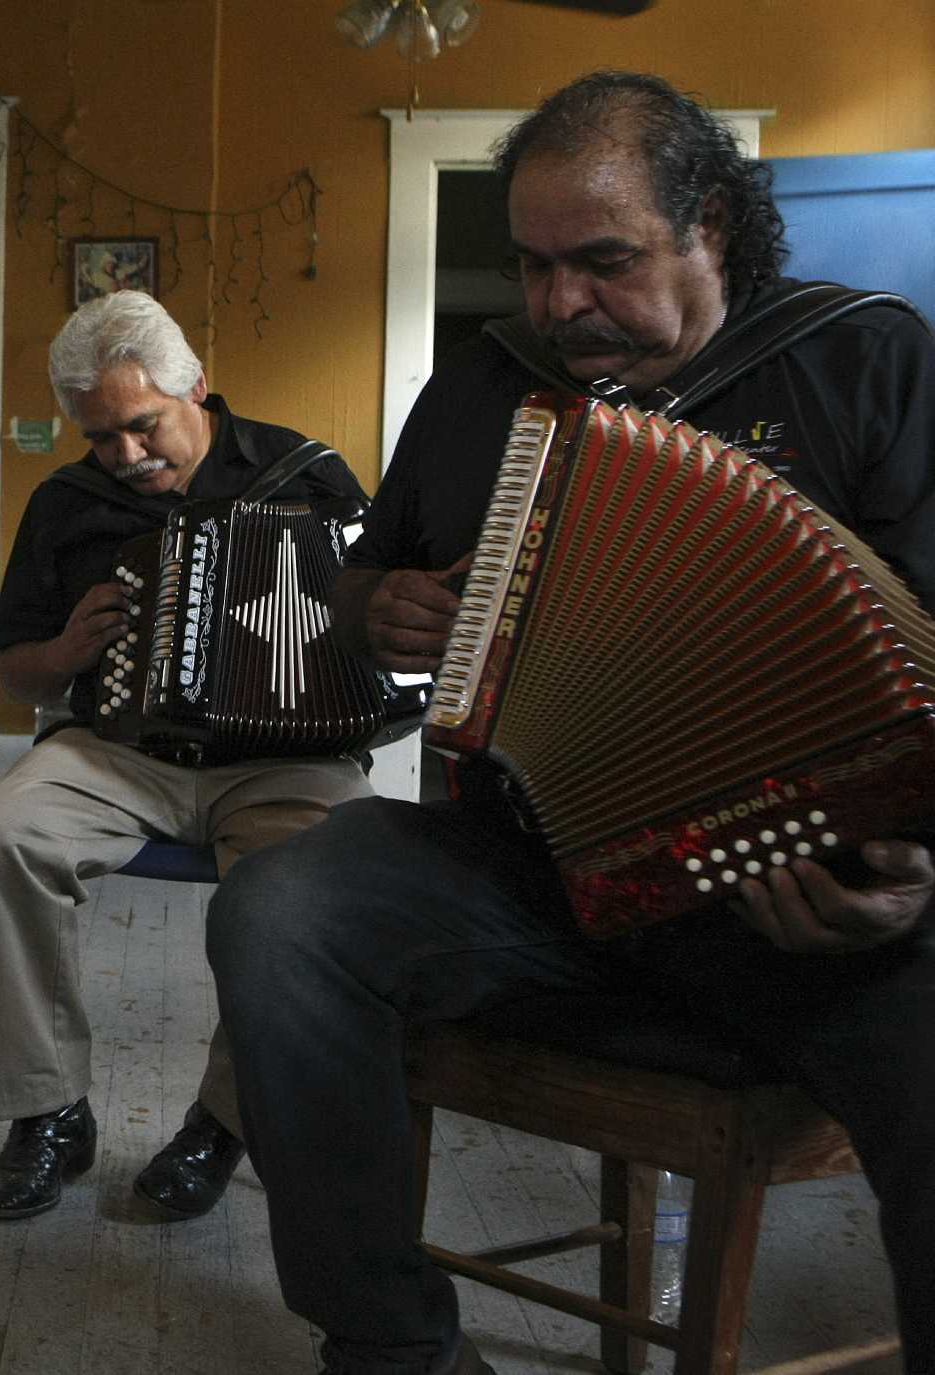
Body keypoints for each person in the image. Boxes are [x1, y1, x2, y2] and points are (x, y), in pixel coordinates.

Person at [207, 71, 935, 1375]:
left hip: (779, 892)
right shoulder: (490, 385)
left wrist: (901, 866)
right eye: (535, 267)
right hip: (523, 866)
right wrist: (382, 607)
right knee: (281, 909)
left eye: (601, 262)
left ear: (710, 221)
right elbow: (360, 579)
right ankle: (392, 1348)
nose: (557, 305)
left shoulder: (866, 358)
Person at [0, 290, 377, 1222]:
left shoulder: (304, 475)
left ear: (194, 385)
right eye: (102, 438)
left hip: (283, 758)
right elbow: (20, 672)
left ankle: (220, 1125)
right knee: (2, 831)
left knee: (304, 891)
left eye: (141, 428)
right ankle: (47, 1114)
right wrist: (67, 652)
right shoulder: (68, 501)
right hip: (120, 753)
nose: (126, 457)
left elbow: (376, 627)